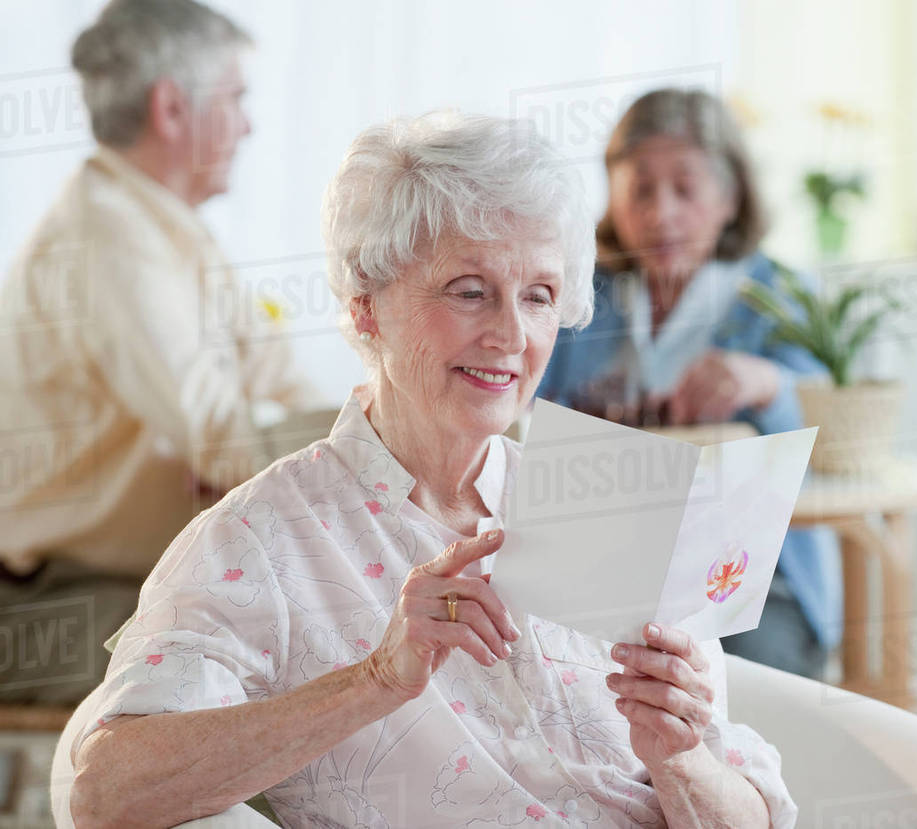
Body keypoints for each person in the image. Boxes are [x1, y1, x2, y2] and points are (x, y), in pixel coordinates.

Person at [63, 113, 797, 828]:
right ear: (367, 304)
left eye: (538, 295)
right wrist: (375, 680)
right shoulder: (262, 539)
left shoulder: (612, 500)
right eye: (469, 290)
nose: (511, 335)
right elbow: (106, 790)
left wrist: (680, 757)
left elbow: (752, 811)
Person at [0, 0, 317, 705]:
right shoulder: (105, 239)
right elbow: (223, 435)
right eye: (236, 99)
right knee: (284, 670)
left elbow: (279, 391)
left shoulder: (168, 227)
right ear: (172, 109)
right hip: (56, 601)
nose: (249, 123)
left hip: (133, 578)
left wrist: (385, 455)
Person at [539, 88, 841, 679]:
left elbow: (839, 432)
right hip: (604, 573)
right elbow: (525, 418)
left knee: (731, 699)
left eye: (685, 187)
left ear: (730, 197)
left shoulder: (778, 295)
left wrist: (765, 383)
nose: (661, 213)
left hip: (753, 590)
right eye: (640, 189)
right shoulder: (581, 296)